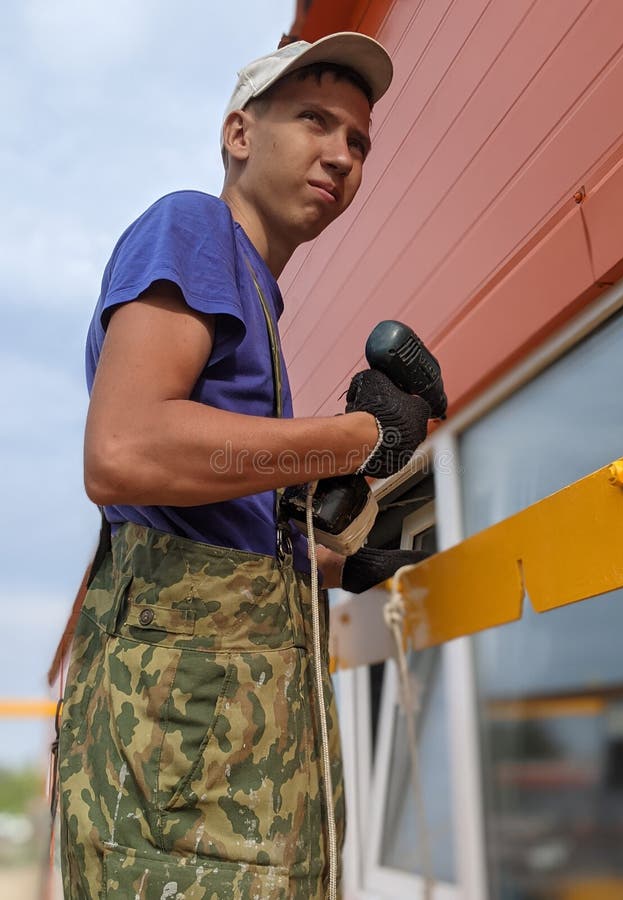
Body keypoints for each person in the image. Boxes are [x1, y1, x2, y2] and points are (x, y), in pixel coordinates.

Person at [57, 32, 431, 899]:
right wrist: (354, 438)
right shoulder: (193, 227)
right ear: (239, 134)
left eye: (359, 140)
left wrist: (340, 566)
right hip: (183, 774)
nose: (340, 153)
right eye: (313, 120)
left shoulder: (255, 300)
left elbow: (206, 521)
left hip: (224, 760)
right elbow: (124, 452)